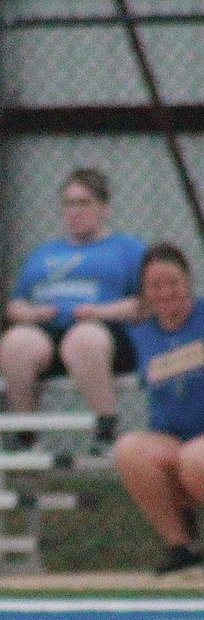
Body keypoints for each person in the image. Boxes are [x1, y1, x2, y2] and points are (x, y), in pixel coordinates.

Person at [0, 167, 144, 450]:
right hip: (49, 334)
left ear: (104, 207)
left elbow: (144, 304)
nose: (74, 211)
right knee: (16, 343)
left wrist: (100, 313)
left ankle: (106, 430)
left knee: (83, 339)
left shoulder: (126, 249)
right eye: (68, 204)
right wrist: (33, 315)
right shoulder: (44, 254)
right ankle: (26, 437)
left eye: (83, 203)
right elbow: (16, 305)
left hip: (105, 338)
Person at [113, 243, 204, 574]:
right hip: (173, 438)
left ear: (188, 282)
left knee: (195, 458)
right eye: (155, 285)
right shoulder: (141, 335)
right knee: (130, 450)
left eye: (173, 283)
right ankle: (181, 545)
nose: (165, 292)